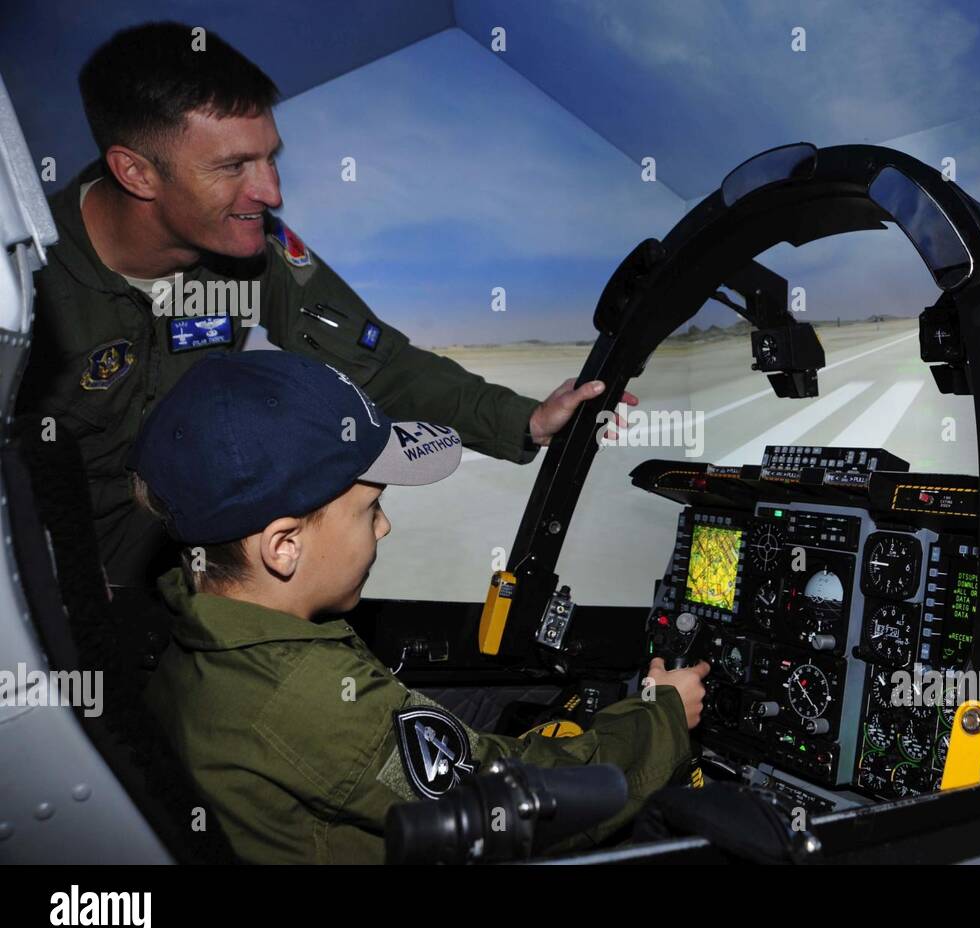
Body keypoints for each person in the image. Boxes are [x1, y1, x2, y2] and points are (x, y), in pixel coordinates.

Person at [17, 21, 633, 586]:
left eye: (269, 158)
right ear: (137, 173)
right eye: (233, 166)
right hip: (42, 603)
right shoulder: (23, 287)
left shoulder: (251, 252)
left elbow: (377, 362)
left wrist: (523, 420)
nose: (271, 192)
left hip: (179, 588)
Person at [128, 349, 707, 864]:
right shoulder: (310, 698)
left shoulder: (195, 628)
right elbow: (513, 804)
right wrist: (660, 718)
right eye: (370, 509)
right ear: (284, 546)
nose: (385, 525)